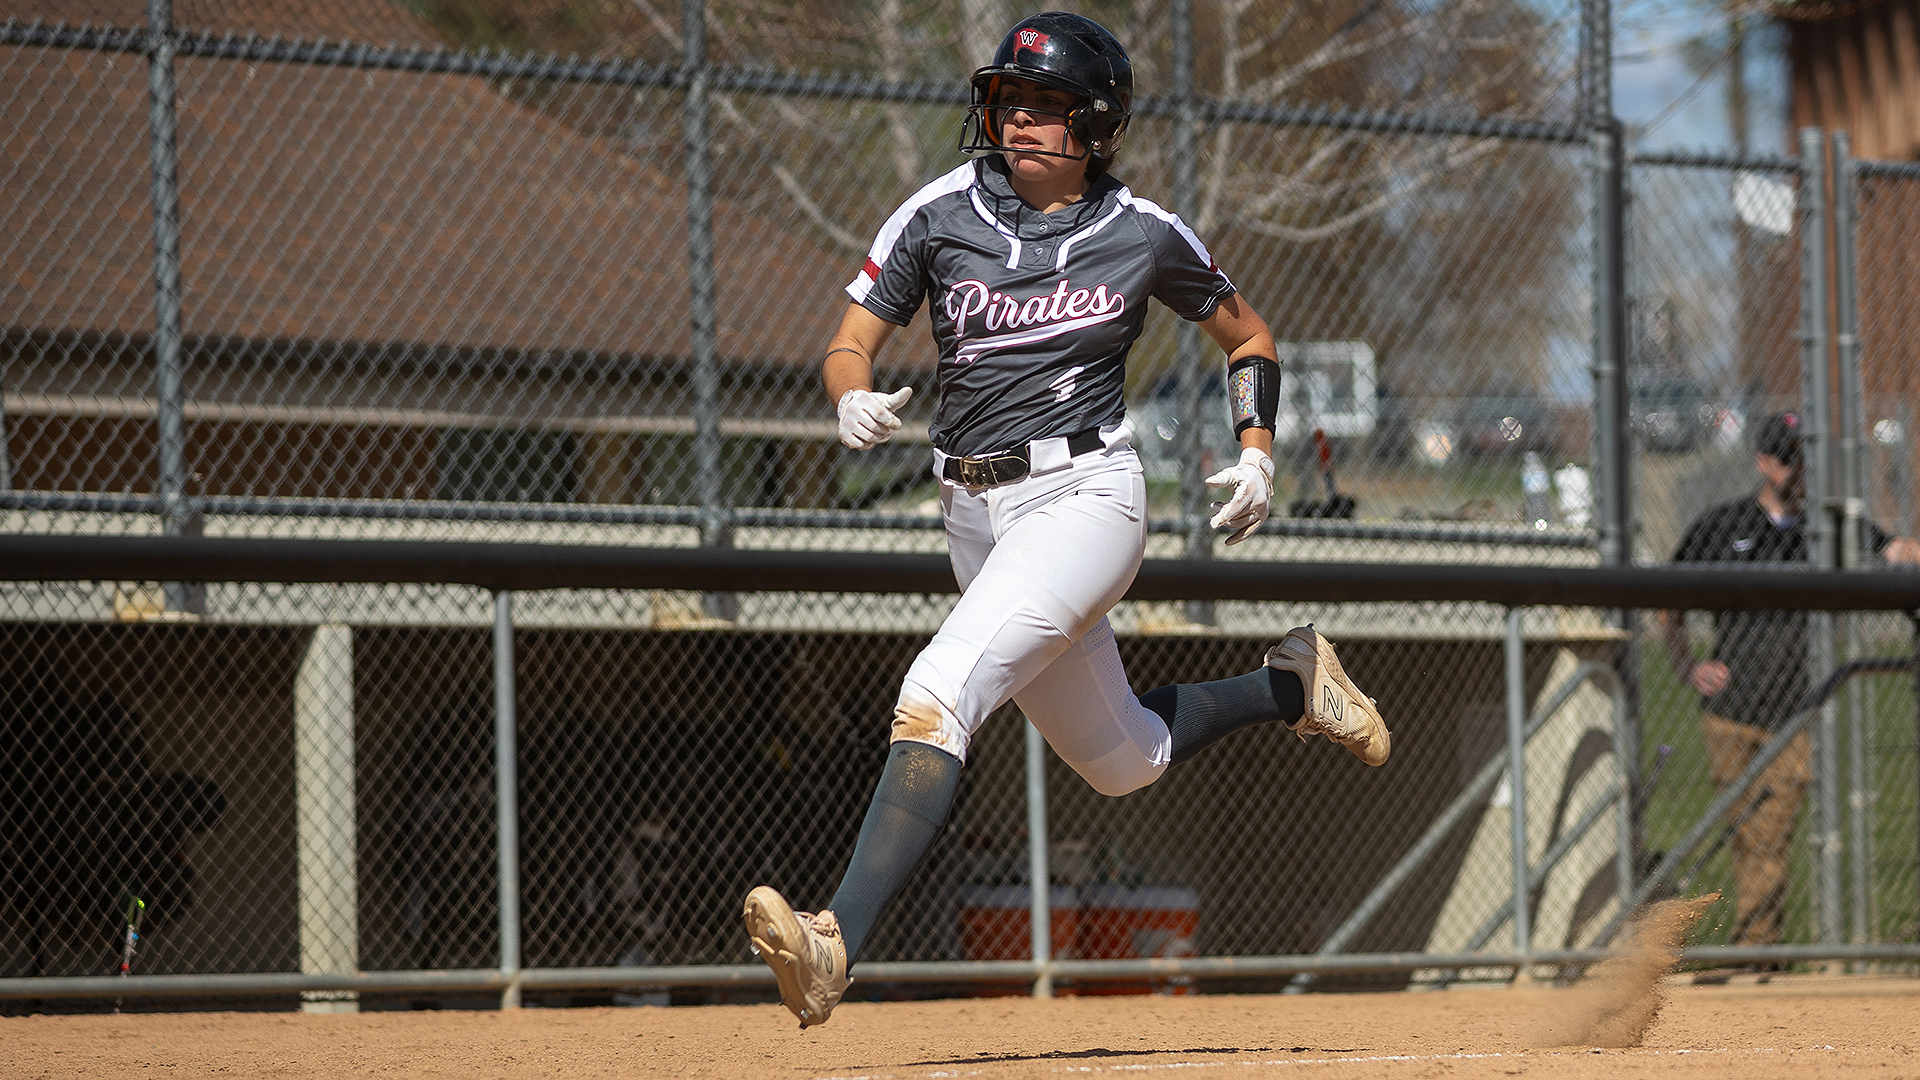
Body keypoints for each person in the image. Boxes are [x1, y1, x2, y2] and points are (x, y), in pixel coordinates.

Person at [740, 11, 1390, 1029]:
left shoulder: (1142, 231)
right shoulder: (940, 212)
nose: (1021, 120)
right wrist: (848, 392)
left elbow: (1248, 334)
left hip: (1085, 496)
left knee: (936, 693)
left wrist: (1257, 450)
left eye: (1049, 107)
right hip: (971, 510)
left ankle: (836, 944)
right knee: (1123, 760)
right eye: (1011, 100)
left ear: (1098, 124)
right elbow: (849, 340)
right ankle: (1290, 681)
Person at [1660, 411, 1920, 945]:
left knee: (1771, 834)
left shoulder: (1820, 528)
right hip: (1729, 711)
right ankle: (1762, 946)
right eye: (1785, 457)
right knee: (1744, 836)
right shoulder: (1723, 524)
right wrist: (1687, 666)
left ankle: (1755, 946)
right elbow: (1668, 602)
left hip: (1793, 712)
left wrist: (1906, 549)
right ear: (1762, 463)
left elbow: (1893, 549)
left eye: (1802, 456)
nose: (1796, 467)